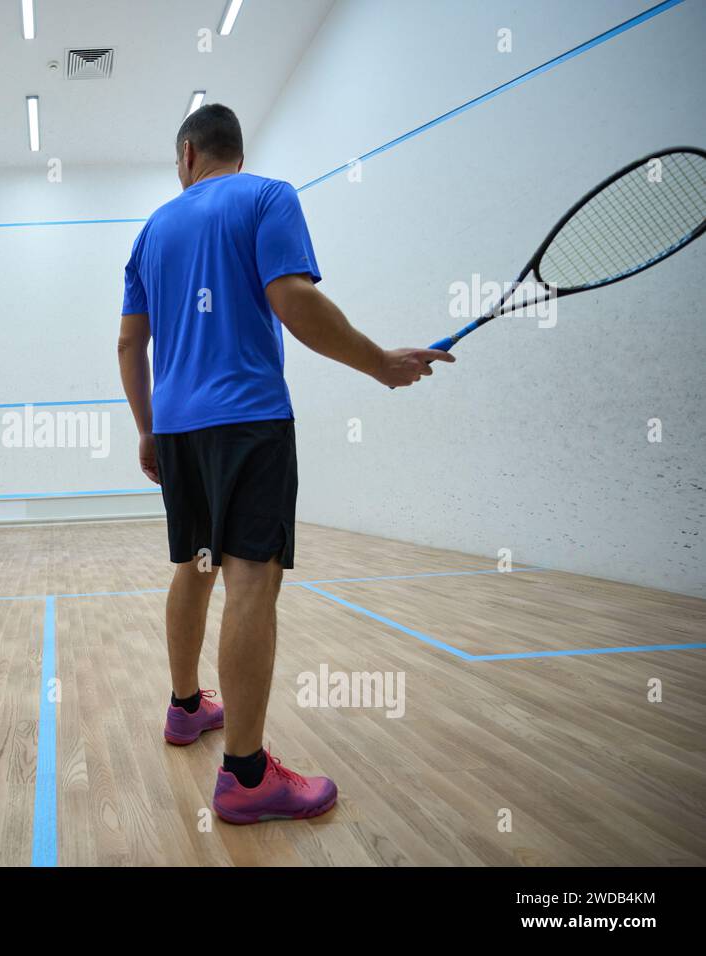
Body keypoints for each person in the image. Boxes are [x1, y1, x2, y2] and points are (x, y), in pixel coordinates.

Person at [117, 104, 453, 824]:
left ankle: (184, 709)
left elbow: (128, 345)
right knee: (250, 578)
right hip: (247, 418)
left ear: (187, 154)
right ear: (233, 151)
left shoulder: (152, 231)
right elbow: (292, 300)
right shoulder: (268, 196)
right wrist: (380, 364)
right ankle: (244, 776)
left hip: (177, 429)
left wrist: (148, 432)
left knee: (196, 565)